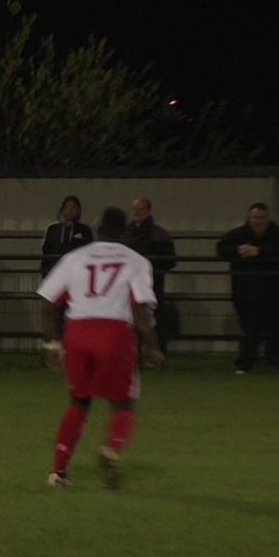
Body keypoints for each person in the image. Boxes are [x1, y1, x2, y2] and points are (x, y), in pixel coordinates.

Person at [37, 207, 165, 489]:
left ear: (96, 228)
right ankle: (110, 449)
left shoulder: (74, 258)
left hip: (78, 331)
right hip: (114, 333)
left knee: (79, 401)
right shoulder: (136, 261)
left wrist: (51, 343)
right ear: (125, 232)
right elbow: (140, 307)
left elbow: (48, 302)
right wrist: (153, 347)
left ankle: (58, 472)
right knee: (123, 403)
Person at [215, 203, 279, 373]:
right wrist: (238, 249)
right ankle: (245, 363)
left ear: (267, 218)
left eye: (261, 217)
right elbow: (221, 248)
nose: (258, 221)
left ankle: (274, 360)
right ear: (249, 217)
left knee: (275, 327)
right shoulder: (238, 234)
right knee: (249, 328)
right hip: (245, 291)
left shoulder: (278, 234)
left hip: (274, 292)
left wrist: (259, 251)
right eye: (255, 217)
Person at [123, 198, 178, 355]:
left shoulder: (159, 234)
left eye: (140, 208)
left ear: (148, 210)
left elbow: (170, 261)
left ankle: (157, 352)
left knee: (156, 319)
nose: (136, 212)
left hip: (152, 283)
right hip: (128, 283)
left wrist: (147, 266)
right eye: (134, 209)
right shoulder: (126, 233)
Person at [40, 195, 94, 277]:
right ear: (62, 210)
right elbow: (46, 251)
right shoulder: (53, 229)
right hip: (54, 271)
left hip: (76, 273)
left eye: (73, 207)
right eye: (67, 207)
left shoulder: (85, 230)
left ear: (78, 210)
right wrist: (45, 271)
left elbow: (88, 252)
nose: (70, 210)